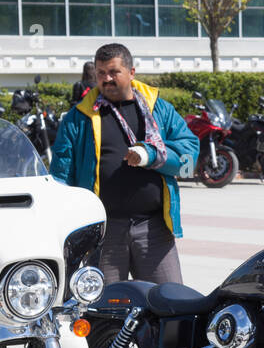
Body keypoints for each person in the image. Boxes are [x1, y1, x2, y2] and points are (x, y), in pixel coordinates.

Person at [50, 43, 198, 285]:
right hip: (103, 234)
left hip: (154, 230)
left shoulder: (158, 109)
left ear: (131, 72)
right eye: (100, 73)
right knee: (102, 312)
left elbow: (188, 160)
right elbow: (61, 176)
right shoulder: (79, 118)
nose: (106, 79)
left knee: (171, 305)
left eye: (113, 72)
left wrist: (151, 156)